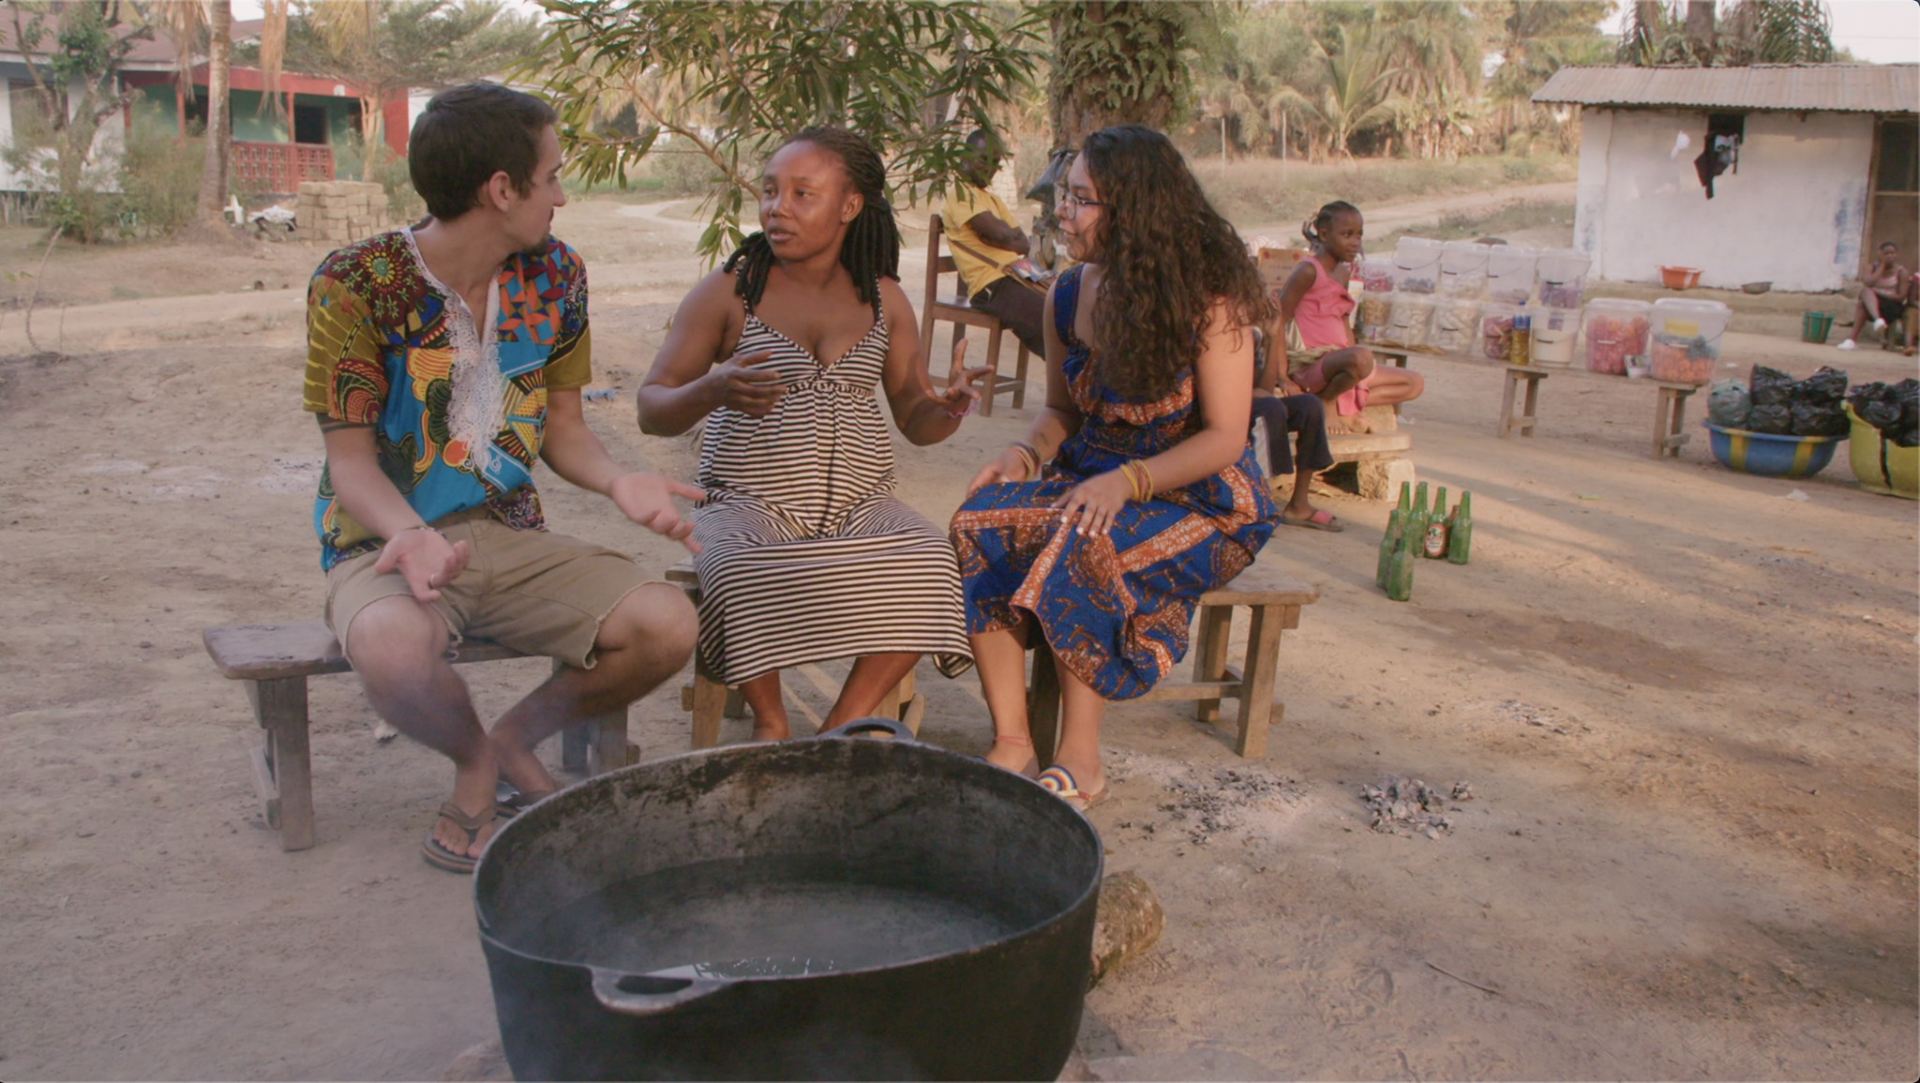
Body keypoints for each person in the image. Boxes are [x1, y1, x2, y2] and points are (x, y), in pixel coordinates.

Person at [303, 83, 703, 873]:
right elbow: (350, 464)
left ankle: (515, 738)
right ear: (501, 189)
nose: (560, 197)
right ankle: (478, 763)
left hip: (509, 536)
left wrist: (619, 481)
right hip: (384, 546)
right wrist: (411, 534)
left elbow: (564, 428)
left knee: (668, 624)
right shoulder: (356, 283)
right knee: (391, 650)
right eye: (551, 177)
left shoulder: (557, 275)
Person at [950, 125, 1277, 811]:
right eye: (1063, 197)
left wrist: (1128, 482)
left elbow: (1224, 437)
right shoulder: (1069, 294)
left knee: (1082, 536)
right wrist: (1023, 453)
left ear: (1134, 209)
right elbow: (1060, 412)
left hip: (1202, 499)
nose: (1062, 215)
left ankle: (1082, 757)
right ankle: (1013, 740)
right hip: (1094, 477)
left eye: (1081, 200)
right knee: (977, 521)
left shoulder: (1210, 302)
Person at [638, 126, 988, 740]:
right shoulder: (731, 292)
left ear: (849, 205)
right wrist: (713, 388)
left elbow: (916, 419)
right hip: (749, 503)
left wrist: (949, 407)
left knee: (934, 558)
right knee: (735, 564)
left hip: (862, 503)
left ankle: (840, 726)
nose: (778, 207)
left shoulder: (884, 299)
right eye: (770, 191)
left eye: (803, 194)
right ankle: (771, 724)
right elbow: (651, 407)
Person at [1270, 201, 1426, 448]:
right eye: (1347, 235)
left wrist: (1357, 364)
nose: (1355, 242)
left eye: (1359, 235)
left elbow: (1343, 320)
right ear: (1324, 235)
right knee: (1361, 358)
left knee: (1414, 383)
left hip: (1343, 365)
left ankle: (1337, 401)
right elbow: (1279, 319)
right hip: (1314, 366)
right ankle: (1327, 401)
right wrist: (1281, 376)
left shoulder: (1343, 273)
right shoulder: (1308, 271)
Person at [941, 128, 1047, 356]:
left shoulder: (993, 200)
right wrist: (1001, 236)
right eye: (984, 160)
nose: (989, 169)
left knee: (1066, 301)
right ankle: (1070, 374)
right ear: (964, 156)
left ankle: (1077, 371)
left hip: (1018, 273)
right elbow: (1003, 235)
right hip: (991, 283)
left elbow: (1022, 242)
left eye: (995, 163)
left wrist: (997, 236)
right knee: (1045, 318)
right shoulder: (960, 193)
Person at [1837, 241, 1915, 355]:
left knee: (1865, 294)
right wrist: (1882, 266)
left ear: (1896, 254)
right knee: (1863, 300)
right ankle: (1854, 338)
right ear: (1880, 254)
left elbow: (1901, 297)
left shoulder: (1901, 272)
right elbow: (1868, 282)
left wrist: (1878, 292)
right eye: (1886, 253)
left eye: (1892, 253)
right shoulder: (1872, 267)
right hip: (1875, 307)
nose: (1890, 256)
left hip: (1893, 308)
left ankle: (1854, 338)